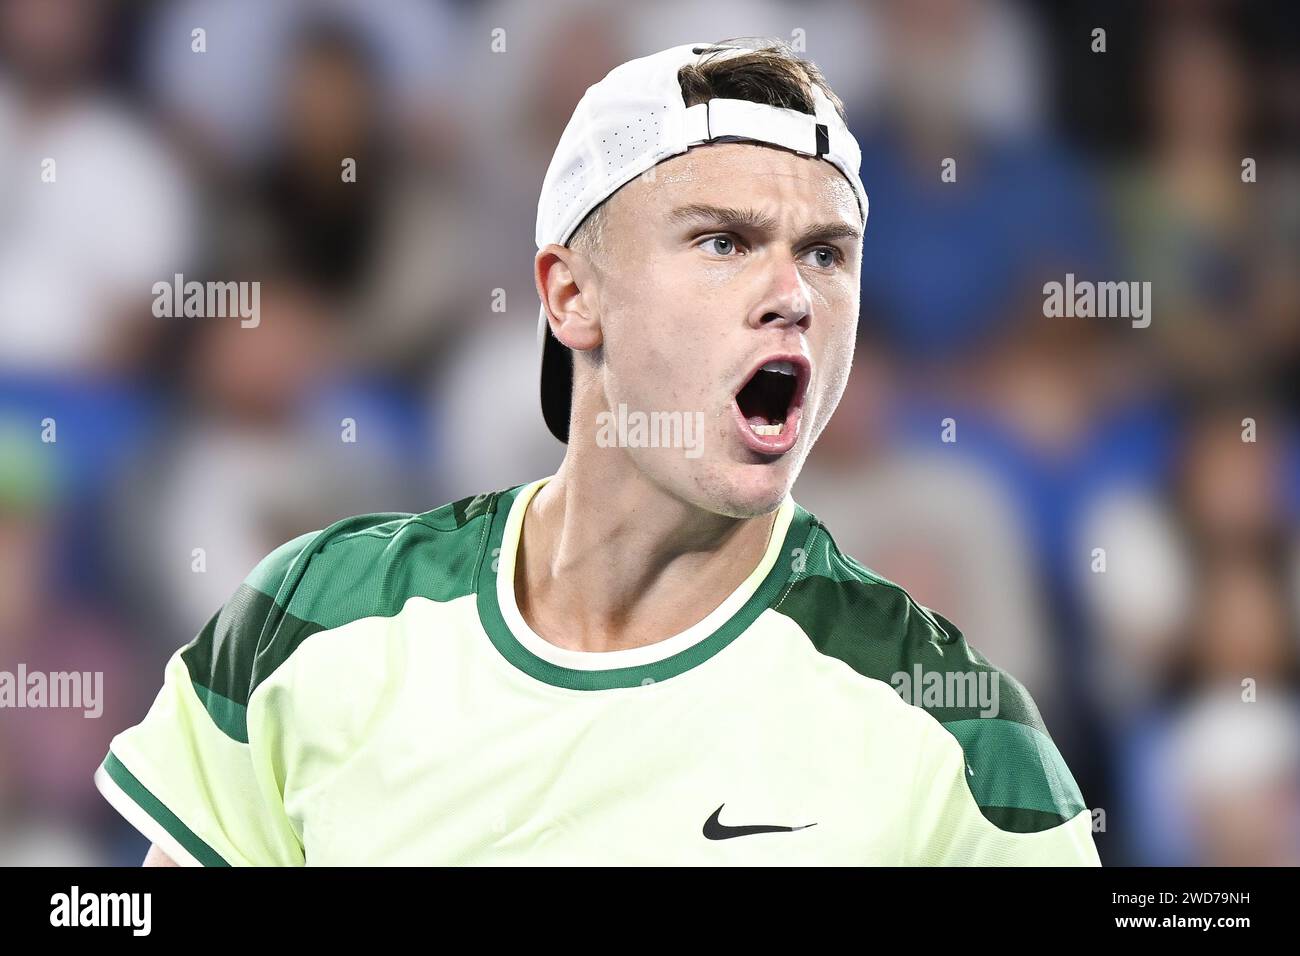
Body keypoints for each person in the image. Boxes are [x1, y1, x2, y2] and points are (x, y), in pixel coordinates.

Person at [95, 39, 1100, 866]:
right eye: (723, 240)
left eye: (826, 252)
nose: (792, 293)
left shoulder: (961, 740)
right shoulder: (310, 620)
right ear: (572, 293)